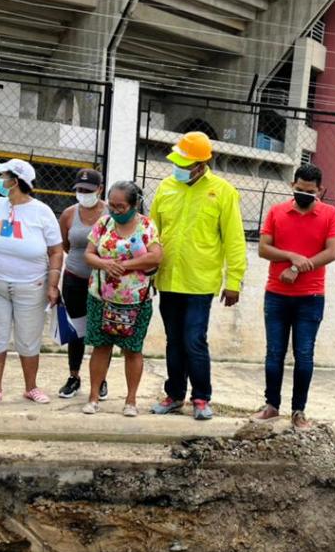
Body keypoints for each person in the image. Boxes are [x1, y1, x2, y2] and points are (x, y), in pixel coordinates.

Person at [149, 131, 247, 420]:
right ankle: (174, 395)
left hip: (200, 282)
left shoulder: (223, 191)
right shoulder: (166, 187)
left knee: (194, 339)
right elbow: (152, 233)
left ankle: (201, 398)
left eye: (184, 163)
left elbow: (234, 240)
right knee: (173, 340)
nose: (177, 167)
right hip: (167, 279)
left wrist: (233, 281)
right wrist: (148, 272)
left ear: (202, 164)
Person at [251, 164, 335, 429]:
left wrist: (296, 267)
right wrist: (291, 256)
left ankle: (298, 411)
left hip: (310, 297)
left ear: (320, 190)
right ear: (293, 186)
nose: (305, 194)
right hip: (277, 295)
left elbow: (332, 252)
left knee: (304, 354)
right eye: (300, 189)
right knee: (274, 353)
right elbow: (263, 249)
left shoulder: (329, 214)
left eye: (311, 192)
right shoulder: (277, 212)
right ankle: (271, 406)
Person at [0, 159, 63, 405]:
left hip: (31, 286)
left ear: (15, 182)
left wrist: (52, 284)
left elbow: (56, 250)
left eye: (3, 177)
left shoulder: (42, 212)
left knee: (28, 339)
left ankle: (31, 387)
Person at [82, 182, 161, 417]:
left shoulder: (146, 226)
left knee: (132, 350)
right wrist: (105, 263)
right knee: (101, 347)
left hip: (135, 302)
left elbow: (156, 257)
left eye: (121, 206)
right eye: (112, 205)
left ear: (134, 204)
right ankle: (94, 397)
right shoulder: (103, 224)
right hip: (101, 298)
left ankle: (131, 401)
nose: (115, 211)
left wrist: (124, 265)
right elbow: (88, 254)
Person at [56, 168, 107, 400]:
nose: (83, 194)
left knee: (101, 331)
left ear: (100, 189)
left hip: (104, 281)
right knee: (77, 329)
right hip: (74, 278)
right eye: (79, 190)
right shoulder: (68, 214)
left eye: (88, 190)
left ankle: (100, 379)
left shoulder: (110, 212)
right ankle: (74, 376)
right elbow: (65, 245)